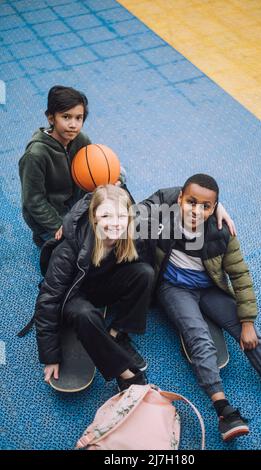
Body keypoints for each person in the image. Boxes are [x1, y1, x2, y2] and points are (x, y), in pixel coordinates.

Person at [141, 173, 261, 441]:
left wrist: (248, 323)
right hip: (174, 289)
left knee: (247, 333)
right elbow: (141, 206)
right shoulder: (164, 219)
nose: (196, 210)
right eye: (191, 202)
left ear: (214, 208)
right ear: (179, 198)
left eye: (205, 206)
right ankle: (224, 411)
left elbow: (240, 276)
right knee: (199, 338)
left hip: (209, 288)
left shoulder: (221, 232)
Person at [34, 185, 154, 391]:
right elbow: (48, 300)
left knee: (145, 273)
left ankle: (116, 335)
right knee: (84, 314)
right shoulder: (70, 249)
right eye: (106, 215)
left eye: (121, 216)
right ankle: (126, 374)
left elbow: (168, 202)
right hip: (74, 294)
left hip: (101, 285)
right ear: (94, 216)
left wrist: (217, 207)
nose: (115, 223)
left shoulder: (131, 235)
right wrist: (50, 355)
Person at [19, 85, 91, 247]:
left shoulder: (81, 140)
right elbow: (34, 201)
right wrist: (58, 225)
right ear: (51, 118)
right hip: (50, 218)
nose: (73, 125)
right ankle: (44, 238)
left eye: (78, 118)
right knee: (81, 251)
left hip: (74, 205)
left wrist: (113, 179)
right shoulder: (35, 155)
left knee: (118, 195)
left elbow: (93, 166)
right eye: (66, 117)